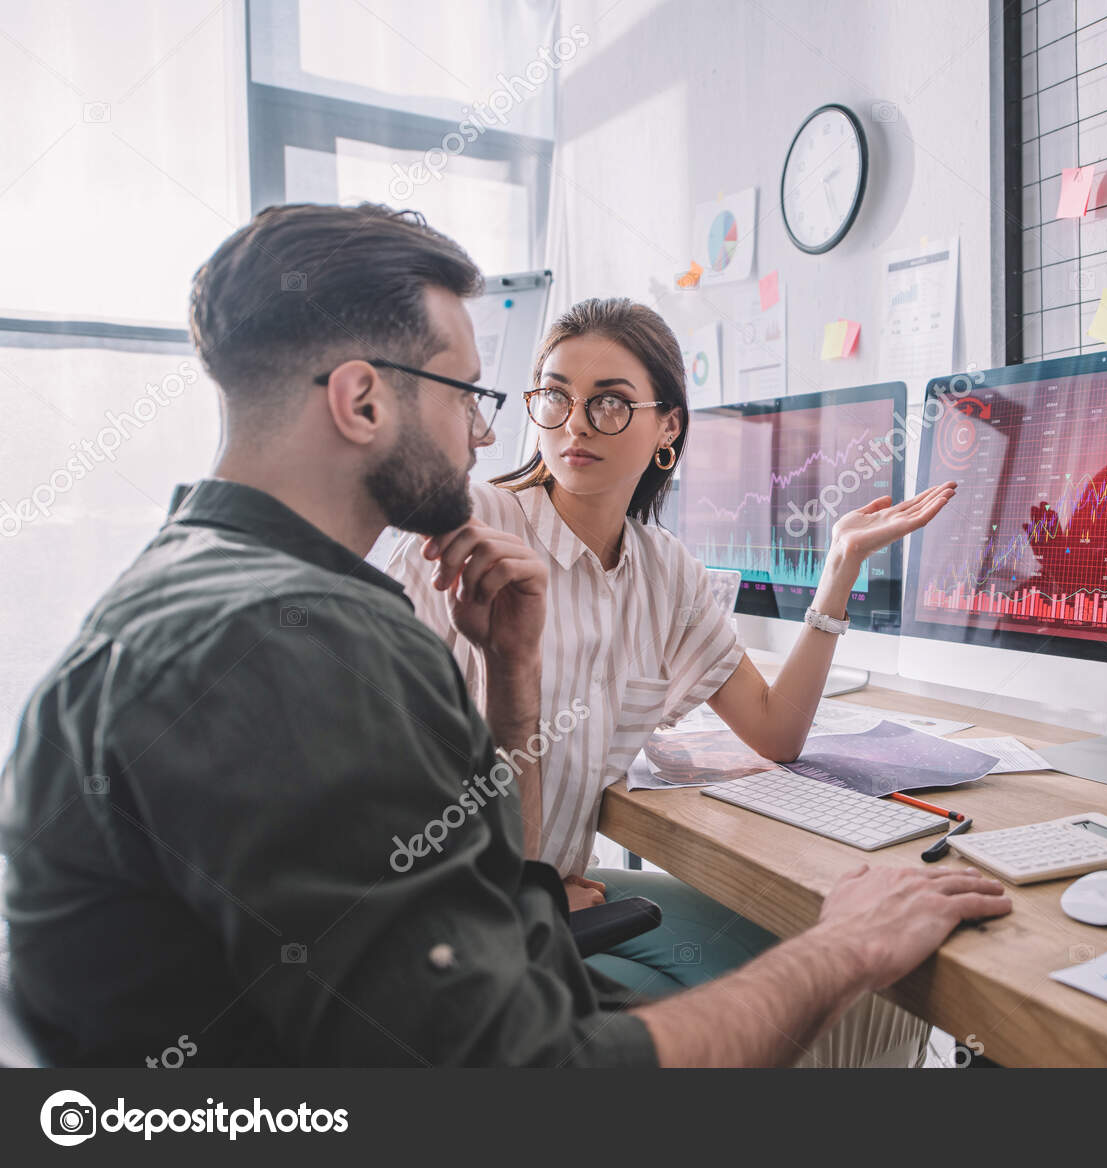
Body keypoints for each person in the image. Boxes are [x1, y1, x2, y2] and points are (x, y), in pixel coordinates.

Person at [0, 203, 1009, 1067]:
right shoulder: (296, 640)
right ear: (361, 399)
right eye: (472, 397)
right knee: (846, 987)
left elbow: (465, 901)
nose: (489, 435)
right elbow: (524, 1077)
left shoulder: (222, 586)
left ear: (665, 427)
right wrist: (844, 948)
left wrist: (511, 671)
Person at [386, 300, 956, 1054]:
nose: (576, 423)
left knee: (865, 971)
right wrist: (531, 892)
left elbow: (776, 733)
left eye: (612, 402)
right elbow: (392, 776)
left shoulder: (666, 571)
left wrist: (839, 568)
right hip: (466, 913)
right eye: (556, 396)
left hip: (555, 893)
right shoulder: (469, 528)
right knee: (817, 988)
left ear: (669, 428)